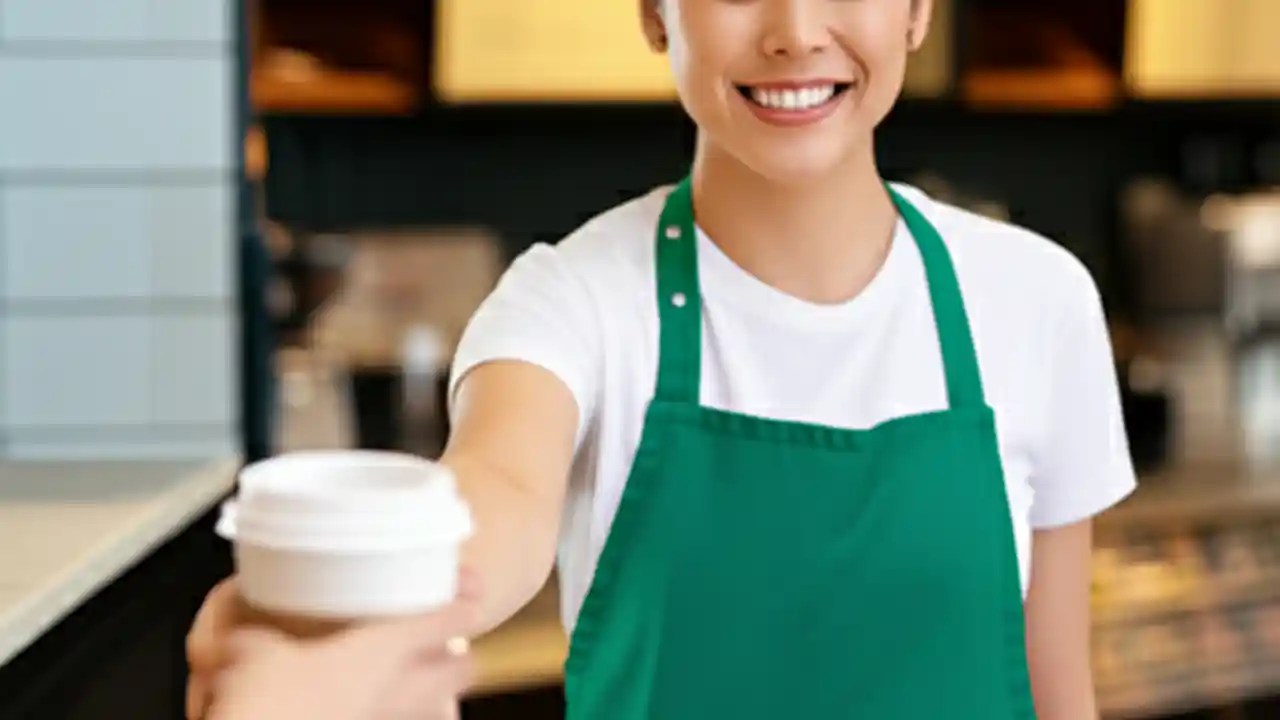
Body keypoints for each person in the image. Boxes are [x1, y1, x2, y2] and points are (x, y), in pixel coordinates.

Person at [190, 0, 1137, 717]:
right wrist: (340, 613)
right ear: (654, 12)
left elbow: (1060, 691)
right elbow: (496, 496)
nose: (795, 32)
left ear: (921, 10)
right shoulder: (574, 302)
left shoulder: (1036, 301)